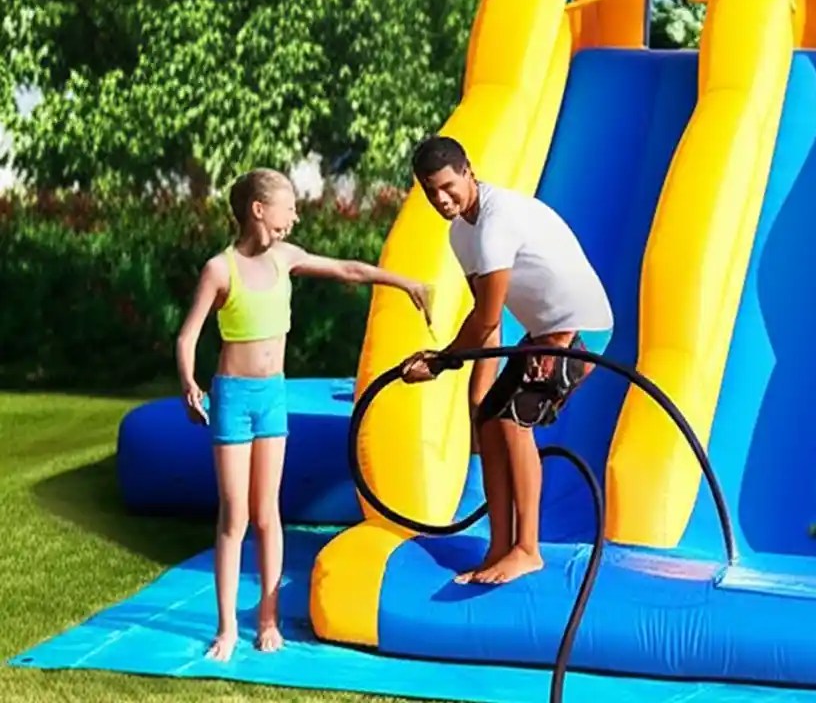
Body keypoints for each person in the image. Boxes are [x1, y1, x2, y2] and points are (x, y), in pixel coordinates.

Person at [175, 168, 432, 662]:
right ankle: (227, 627)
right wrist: (189, 382)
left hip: (273, 395)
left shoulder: (286, 257)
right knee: (235, 515)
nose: (295, 216)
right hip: (233, 398)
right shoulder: (220, 270)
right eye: (288, 206)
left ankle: (268, 619)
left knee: (267, 513)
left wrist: (404, 283)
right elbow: (188, 336)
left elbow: (348, 270)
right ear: (258, 209)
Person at [399, 135, 614, 586]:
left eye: (448, 187)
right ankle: (499, 548)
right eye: (431, 192)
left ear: (468, 172)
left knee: (515, 420)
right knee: (492, 419)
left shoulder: (497, 222)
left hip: (581, 331)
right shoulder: (461, 233)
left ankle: (528, 550)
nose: (442, 200)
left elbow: (487, 317)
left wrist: (439, 362)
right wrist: (477, 396)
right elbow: (488, 326)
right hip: (544, 336)